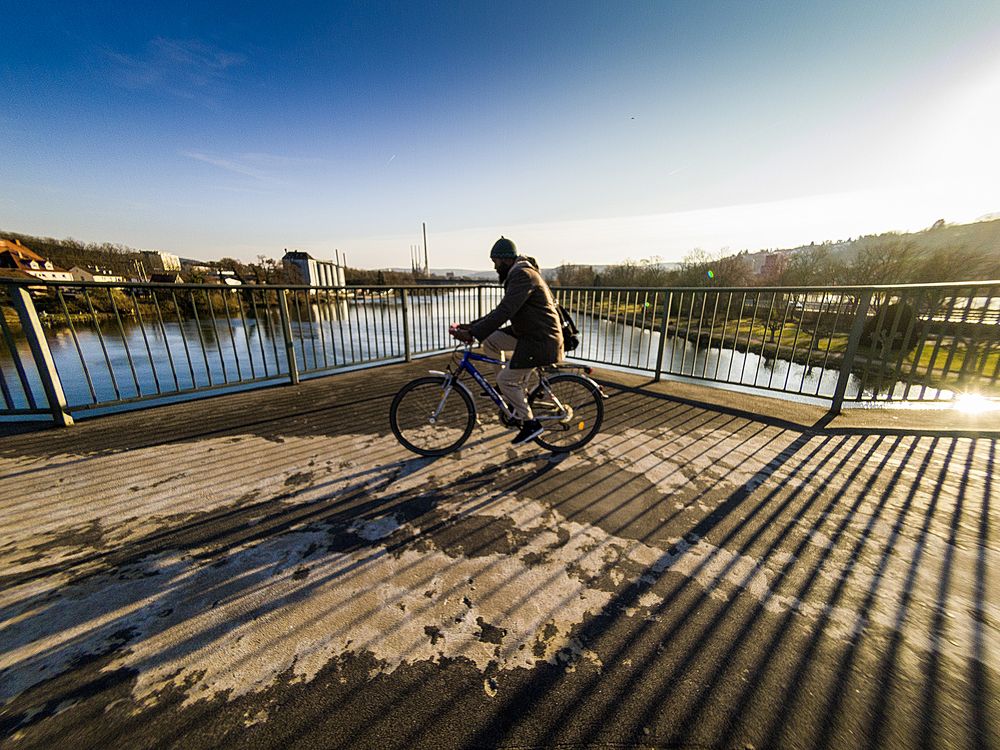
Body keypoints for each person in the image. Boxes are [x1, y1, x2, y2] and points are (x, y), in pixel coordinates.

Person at [451, 237, 564, 445]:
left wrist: (473, 334)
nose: (494, 267)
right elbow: (501, 311)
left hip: (540, 340)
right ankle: (508, 390)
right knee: (491, 341)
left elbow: (505, 311)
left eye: (495, 262)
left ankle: (531, 425)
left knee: (506, 379)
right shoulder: (518, 273)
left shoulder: (522, 275)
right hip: (528, 333)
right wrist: (471, 327)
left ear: (505, 259)